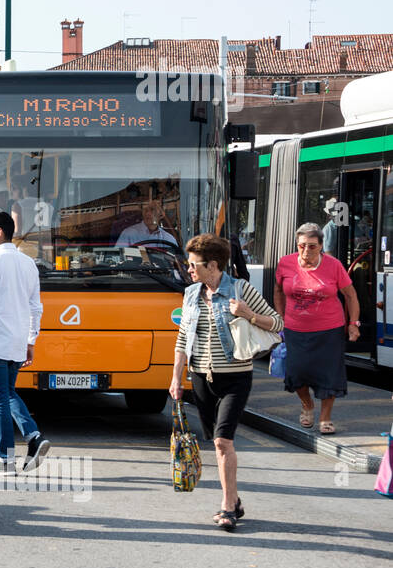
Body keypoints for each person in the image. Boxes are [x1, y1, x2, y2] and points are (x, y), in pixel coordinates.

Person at [171, 234, 282, 531]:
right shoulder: (192, 293)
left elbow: (278, 324)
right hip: (201, 380)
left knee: (223, 441)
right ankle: (235, 499)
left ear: (213, 265)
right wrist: (176, 377)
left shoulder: (240, 289)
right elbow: (183, 338)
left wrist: (248, 314)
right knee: (216, 443)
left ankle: (227, 506)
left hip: (235, 378)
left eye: (194, 264)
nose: (189, 269)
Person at [0, 211, 50, 473]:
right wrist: (31, 340)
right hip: (17, 341)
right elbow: (36, 307)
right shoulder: (28, 263)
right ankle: (33, 436)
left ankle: (5, 456)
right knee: (8, 392)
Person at [273, 222, 359, 435]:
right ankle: (307, 404)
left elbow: (351, 295)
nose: (306, 250)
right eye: (302, 245)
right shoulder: (285, 263)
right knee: (296, 371)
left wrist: (353, 324)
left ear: (321, 246)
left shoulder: (334, 265)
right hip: (295, 329)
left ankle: (325, 417)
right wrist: (281, 318)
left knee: (329, 374)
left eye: (312, 246)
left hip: (329, 330)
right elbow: (278, 291)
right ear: (297, 244)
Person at [115, 200, 179, 249]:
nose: (148, 213)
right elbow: (116, 258)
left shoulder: (168, 238)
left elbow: (176, 261)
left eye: (152, 210)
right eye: (145, 210)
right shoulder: (128, 234)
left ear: (161, 215)